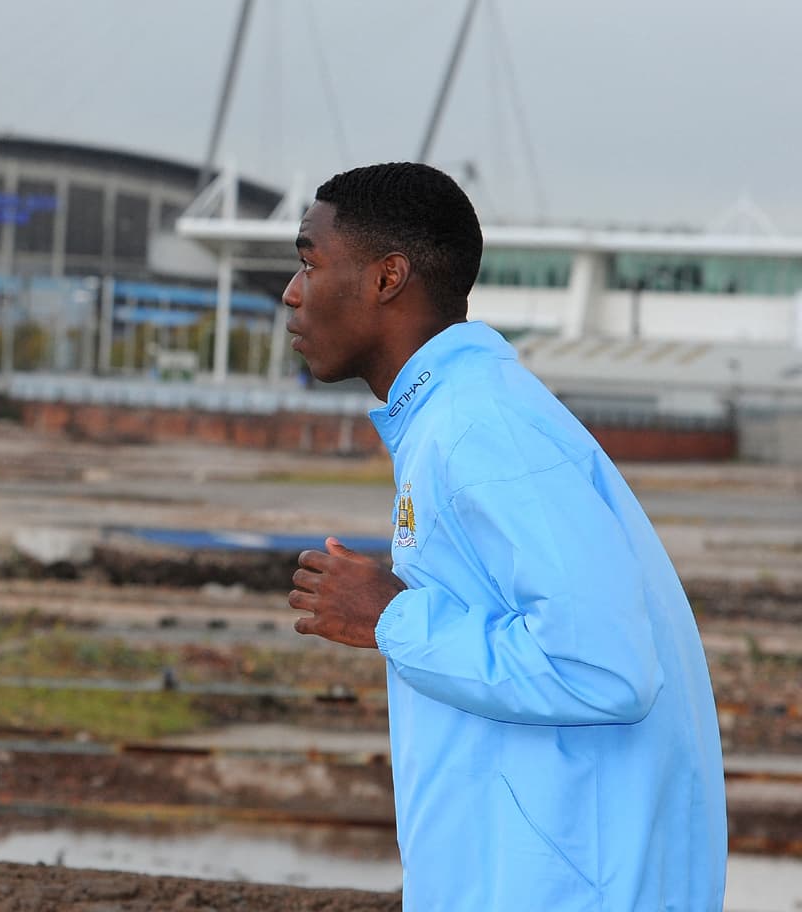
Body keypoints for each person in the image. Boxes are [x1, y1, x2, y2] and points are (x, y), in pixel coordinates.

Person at [282, 162, 725, 911]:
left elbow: (605, 667)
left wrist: (391, 616)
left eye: (307, 262)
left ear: (388, 277)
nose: (292, 293)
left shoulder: (480, 429)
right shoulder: (455, 419)